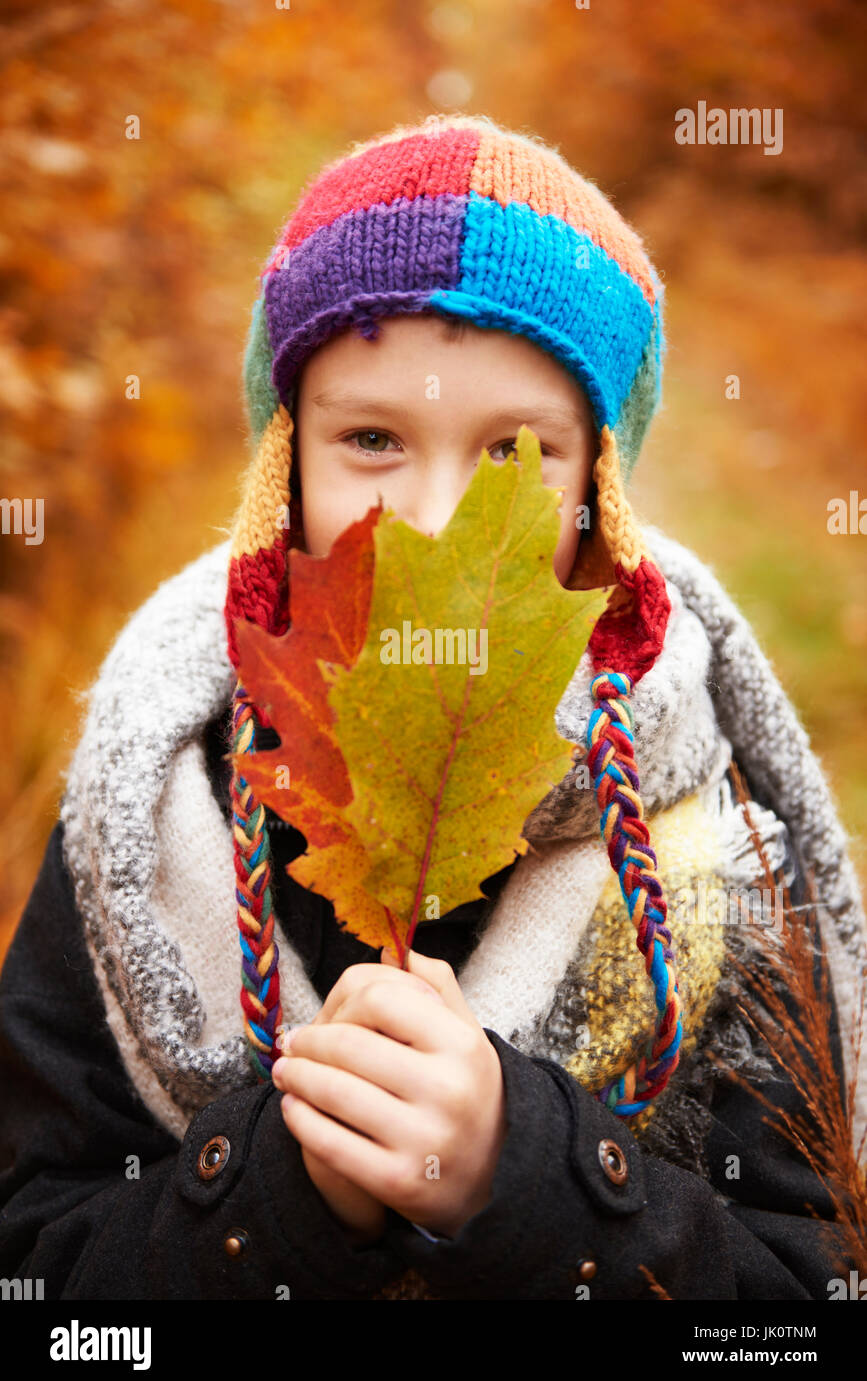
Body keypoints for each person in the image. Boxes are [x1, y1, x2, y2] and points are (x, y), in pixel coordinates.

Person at [1, 112, 864, 1301]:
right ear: (283, 467)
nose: (430, 520)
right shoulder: (151, 812)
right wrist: (276, 1196)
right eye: (369, 438)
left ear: (598, 498)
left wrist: (535, 1179)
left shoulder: (716, 861)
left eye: (516, 453)